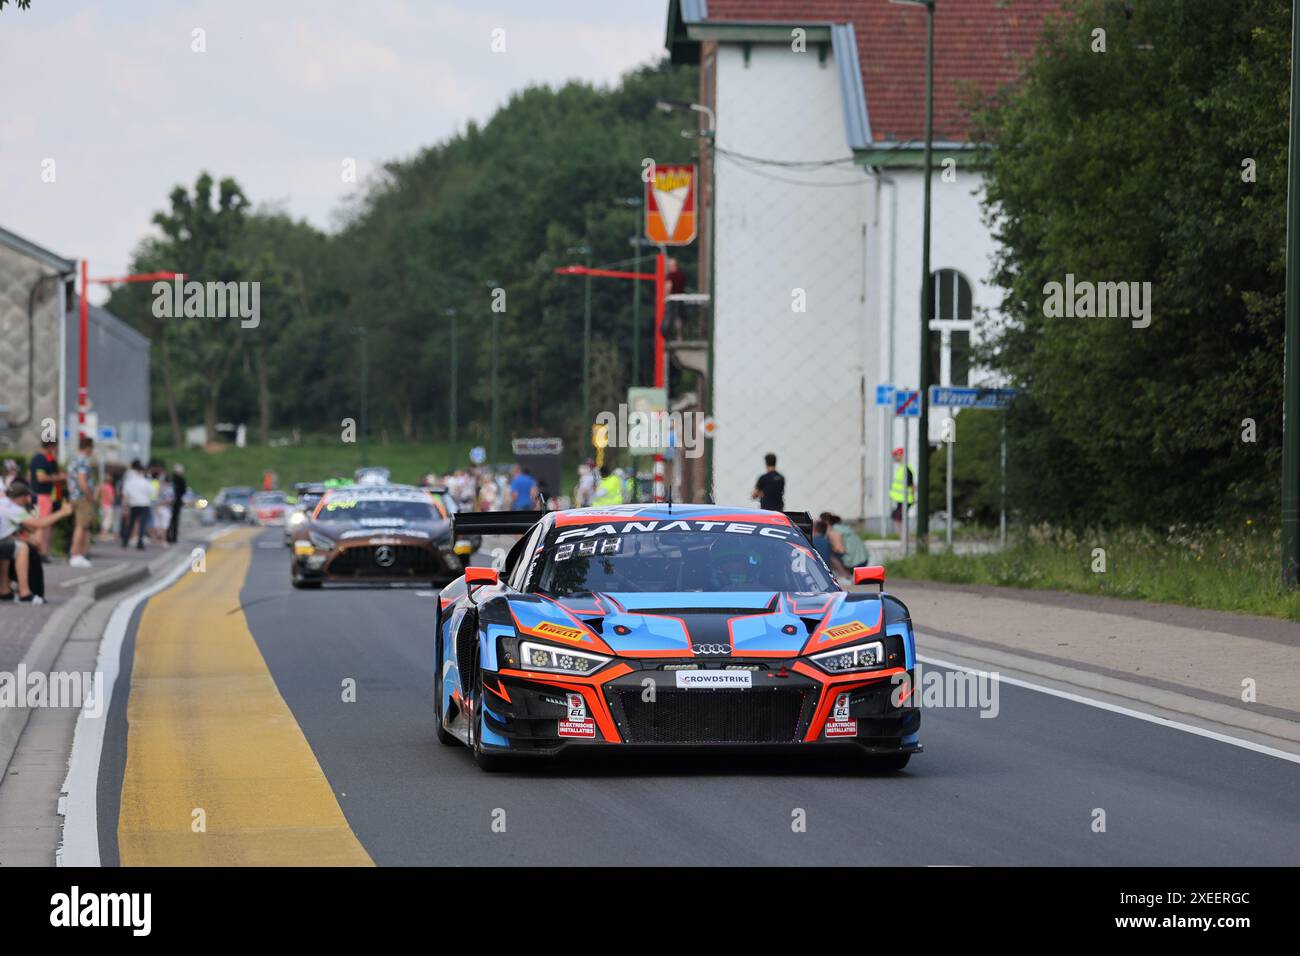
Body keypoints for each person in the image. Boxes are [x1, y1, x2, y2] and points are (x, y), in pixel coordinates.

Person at [0, 481, 72, 604]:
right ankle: (25, 593)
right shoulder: (10, 507)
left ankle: (4, 591)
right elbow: (39, 525)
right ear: (24, 497)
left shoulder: (4, 504)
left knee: (8, 547)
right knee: (21, 548)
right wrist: (63, 513)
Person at [27, 439, 64, 558]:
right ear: (50, 445)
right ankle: (41, 553)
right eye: (55, 446)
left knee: (42, 525)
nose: (56, 449)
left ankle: (42, 552)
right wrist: (59, 477)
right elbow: (41, 477)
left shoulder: (38, 458)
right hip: (41, 496)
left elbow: (29, 476)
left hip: (38, 495)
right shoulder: (41, 459)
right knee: (42, 525)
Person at [66, 435, 97, 568]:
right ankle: (76, 554)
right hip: (83, 497)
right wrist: (90, 496)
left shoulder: (73, 459)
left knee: (80, 526)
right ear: (88, 447)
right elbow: (83, 481)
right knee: (82, 526)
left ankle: (77, 554)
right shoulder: (83, 461)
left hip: (74, 496)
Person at [120, 461, 153, 550]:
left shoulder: (129, 481)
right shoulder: (145, 481)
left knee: (131, 523)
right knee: (142, 524)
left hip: (133, 504)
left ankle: (125, 541)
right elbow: (152, 492)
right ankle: (140, 542)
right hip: (144, 504)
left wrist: (124, 507)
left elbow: (125, 495)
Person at [889, 446, 916, 537]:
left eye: (896, 455)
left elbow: (912, 485)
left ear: (901, 455)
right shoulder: (902, 468)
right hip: (901, 499)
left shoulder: (905, 469)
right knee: (898, 517)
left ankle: (905, 538)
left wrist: (913, 498)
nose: (894, 457)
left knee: (898, 518)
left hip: (905, 499)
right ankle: (904, 537)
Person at [167, 463, 187, 543]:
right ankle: (174, 537)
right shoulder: (181, 480)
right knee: (175, 520)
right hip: (176, 502)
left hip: (169, 502)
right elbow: (183, 491)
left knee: (169, 520)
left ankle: (168, 536)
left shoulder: (171, 478)